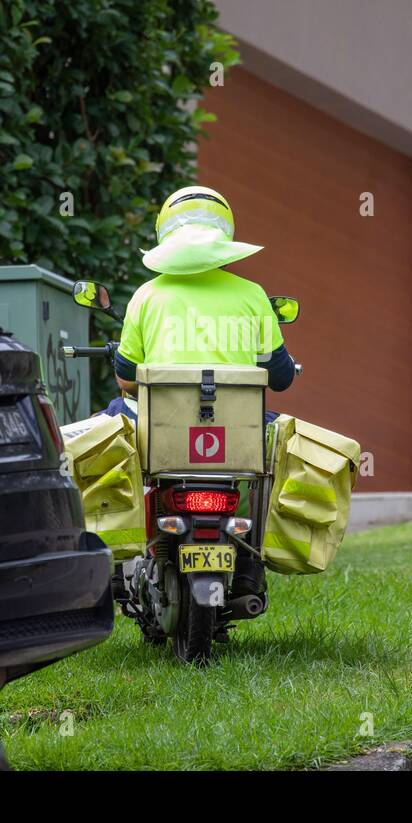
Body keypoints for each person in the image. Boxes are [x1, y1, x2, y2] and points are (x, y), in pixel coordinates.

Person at [107, 185, 296, 600]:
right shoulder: (252, 296)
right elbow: (280, 378)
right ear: (224, 233)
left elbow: (125, 377)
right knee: (281, 448)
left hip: (163, 432)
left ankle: (121, 560)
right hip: (235, 434)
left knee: (110, 422)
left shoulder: (146, 296)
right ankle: (251, 563)